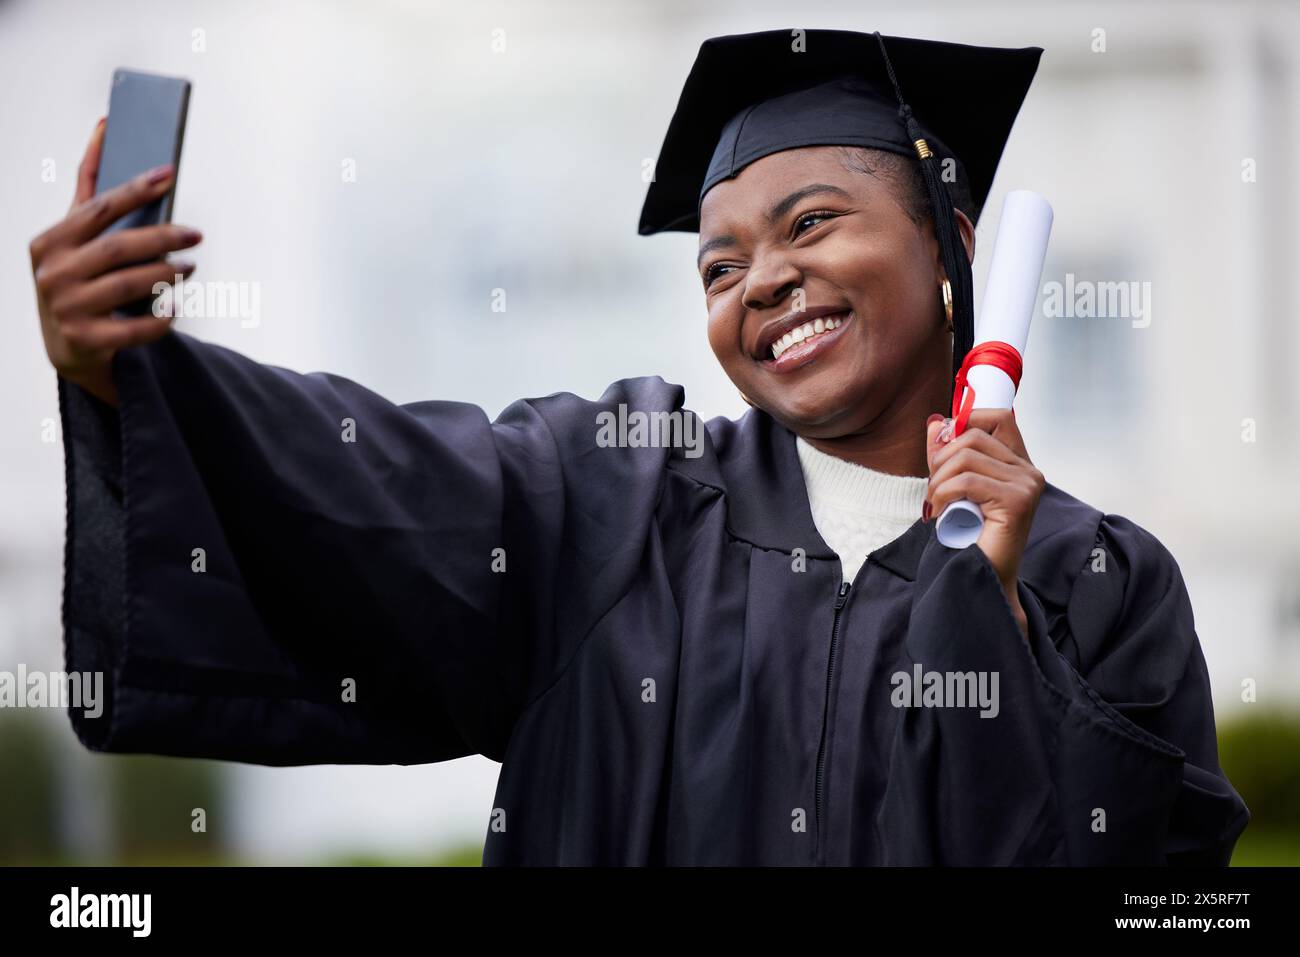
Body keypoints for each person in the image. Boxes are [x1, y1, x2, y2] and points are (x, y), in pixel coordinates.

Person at [31, 28, 1249, 865]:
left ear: (951, 249)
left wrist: (991, 609)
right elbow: (378, 481)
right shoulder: (614, 500)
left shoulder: (1103, 579)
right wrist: (139, 378)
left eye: (811, 224)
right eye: (719, 267)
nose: (762, 281)